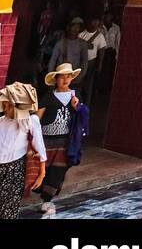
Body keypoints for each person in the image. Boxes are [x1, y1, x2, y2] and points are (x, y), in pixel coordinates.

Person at [36, 64, 81, 203]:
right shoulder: (48, 97)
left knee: (58, 170)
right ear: (56, 79)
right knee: (44, 169)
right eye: (62, 76)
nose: (65, 79)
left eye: (68, 76)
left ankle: (47, 199)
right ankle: (43, 192)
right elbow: (36, 118)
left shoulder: (75, 97)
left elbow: (81, 118)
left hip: (64, 140)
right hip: (47, 140)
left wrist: (77, 107)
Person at [0, 83, 45, 220]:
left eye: (9, 106)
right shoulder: (2, 121)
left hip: (14, 171)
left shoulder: (31, 122)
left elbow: (40, 147)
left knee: (8, 209)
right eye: (5, 105)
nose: (5, 109)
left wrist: (41, 173)